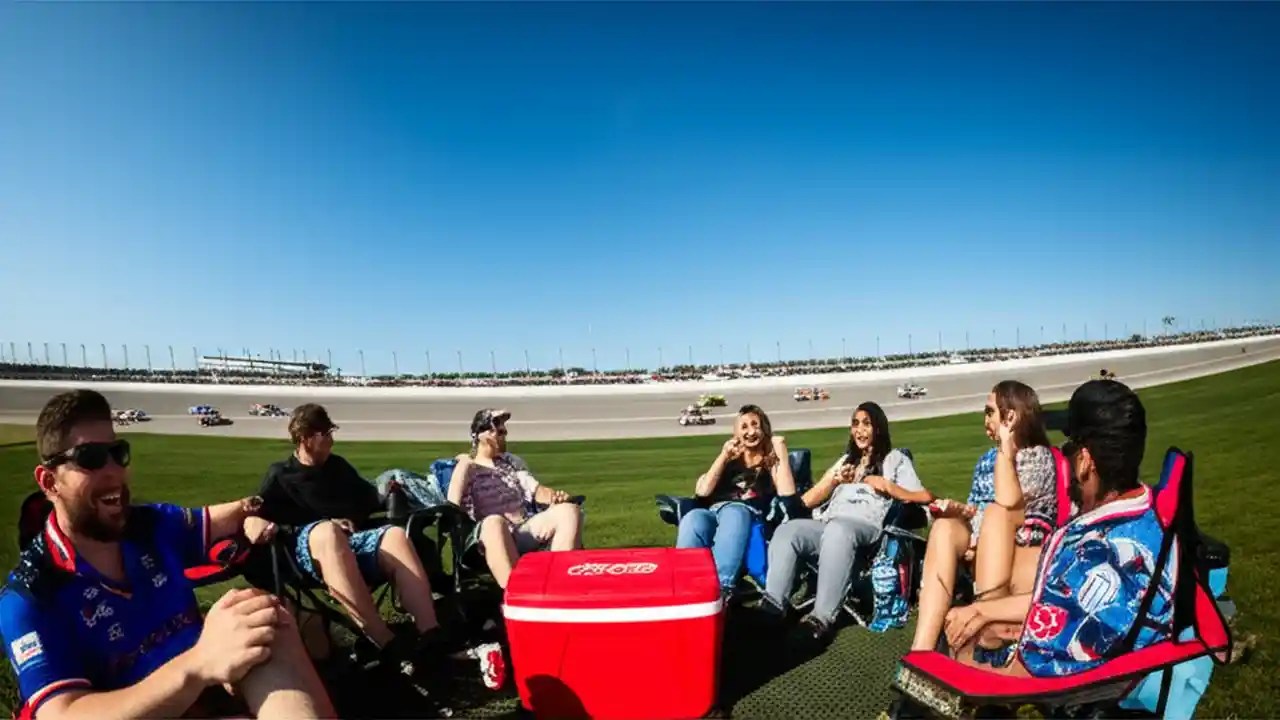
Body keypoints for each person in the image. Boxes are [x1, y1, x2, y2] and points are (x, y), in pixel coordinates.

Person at [0, 389, 333, 719]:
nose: (114, 470)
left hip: (205, 692)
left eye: (117, 452)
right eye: (90, 458)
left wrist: (253, 512)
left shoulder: (150, 526)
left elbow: (222, 518)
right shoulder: (32, 595)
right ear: (49, 482)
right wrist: (198, 663)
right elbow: (63, 714)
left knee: (258, 615)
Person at [940, 379, 1176, 676]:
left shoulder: (1096, 554)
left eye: (1068, 447)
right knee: (977, 623)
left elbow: (1031, 671)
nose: (1063, 455)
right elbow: (1062, 602)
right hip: (1091, 649)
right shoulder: (1143, 518)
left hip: (1052, 680)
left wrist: (970, 650)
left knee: (958, 645)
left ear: (1085, 462)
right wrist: (983, 612)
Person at [251, 403, 449, 671]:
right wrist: (325, 523)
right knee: (328, 532)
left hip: (352, 542)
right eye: (325, 434)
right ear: (306, 438)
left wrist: (390, 491)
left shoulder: (338, 467)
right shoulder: (281, 475)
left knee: (394, 536)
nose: (331, 440)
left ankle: (430, 633)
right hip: (307, 552)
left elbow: (368, 499)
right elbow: (261, 518)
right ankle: (386, 642)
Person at [761, 402, 933, 642]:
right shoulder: (846, 461)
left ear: (878, 428)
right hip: (830, 522)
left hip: (866, 527)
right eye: (855, 424)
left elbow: (925, 496)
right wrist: (834, 481)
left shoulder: (894, 459)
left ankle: (821, 617)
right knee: (788, 531)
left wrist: (887, 486)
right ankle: (773, 607)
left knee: (838, 531)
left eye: (866, 424)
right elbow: (806, 502)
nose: (859, 430)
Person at [910, 380, 1060, 652]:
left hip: (1020, 549)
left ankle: (986, 628)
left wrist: (1006, 446)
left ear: (1011, 416)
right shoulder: (985, 460)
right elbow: (976, 510)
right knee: (945, 528)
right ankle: (922, 649)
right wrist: (959, 512)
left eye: (991, 412)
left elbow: (1008, 502)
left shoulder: (1037, 456)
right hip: (985, 544)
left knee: (996, 513)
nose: (986, 420)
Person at [448, 408, 583, 589]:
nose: (504, 434)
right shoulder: (467, 467)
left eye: (504, 430)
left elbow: (537, 490)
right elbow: (453, 503)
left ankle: (558, 585)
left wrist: (556, 498)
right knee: (495, 522)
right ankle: (517, 593)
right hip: (489, 535)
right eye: (499, 431)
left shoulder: (510, 462)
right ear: (481, 435)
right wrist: (464, 463)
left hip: (522, 529)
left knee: (569, 511)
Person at [676, 405, 798, 599]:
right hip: (714, 512)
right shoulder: (730, 462)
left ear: (764, 429)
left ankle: (722, 587)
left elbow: (787, 494)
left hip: (747, 515)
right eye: (744, 427)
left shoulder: (770, 463)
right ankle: (685, 585)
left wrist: (780, 448)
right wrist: (723, 456)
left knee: (735, 512)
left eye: (755, 425)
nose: (751, 431)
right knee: (694, 518)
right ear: (736, 434)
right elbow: (702, 491)